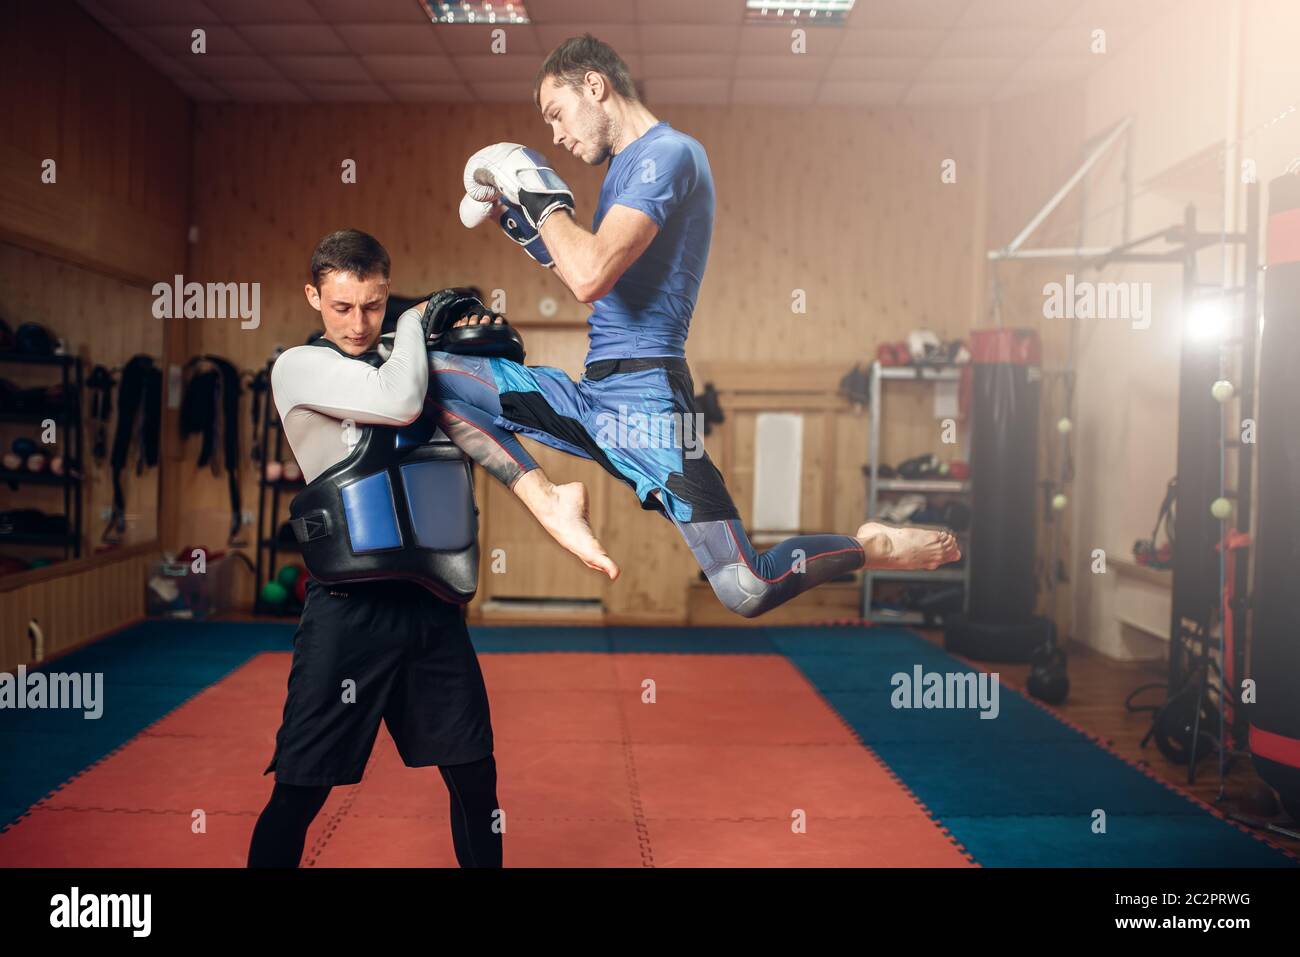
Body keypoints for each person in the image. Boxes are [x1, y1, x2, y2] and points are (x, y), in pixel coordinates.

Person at [424, 34, 961, 618]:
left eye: (556, 113)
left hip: (648, 404)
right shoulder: (624, 169)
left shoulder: (670, 155)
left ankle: (874, 543)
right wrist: (526, 226)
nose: (555, 134)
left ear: (596, 87)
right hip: (593, 394)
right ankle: (549, 498)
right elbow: (602, 285)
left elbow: (590, 276)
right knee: (435, 377)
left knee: (745, 586)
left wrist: (532, 187)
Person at [247, 230, 506, 868]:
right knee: (301, 790)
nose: (358, 323)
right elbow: (398, 401)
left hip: (432, 607)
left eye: (372, 305)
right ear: (314, 295)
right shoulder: (300, 367)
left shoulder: (406, 355)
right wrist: (418, 320)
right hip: (349, 613)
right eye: (341, 307)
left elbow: (487, 397)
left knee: (476, 779)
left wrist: (475, 328)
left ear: (384, 292)